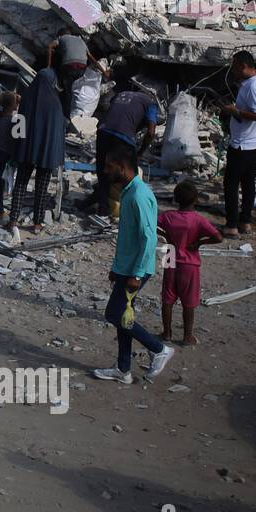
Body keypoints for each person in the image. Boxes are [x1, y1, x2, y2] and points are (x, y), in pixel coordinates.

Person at [93, 142, 175, 384]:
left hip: (136, 269)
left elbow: (148, 237)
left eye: (110, 167)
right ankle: (123, 369)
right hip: (126, 266)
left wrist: (137, 274)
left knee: (114, 314)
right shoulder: (129, 190)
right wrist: (116, 268)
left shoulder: (139, 195)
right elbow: (128, 235)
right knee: (122, 315)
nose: (106, 171)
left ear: (122, 167)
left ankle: (158, 349)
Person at [158, 181, 221, 346]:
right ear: (196, 200)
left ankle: (167, 333)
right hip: (189, 262)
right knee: (189, 301)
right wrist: (199, 243)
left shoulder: (167, 216)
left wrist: (166, 235)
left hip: (171, 255)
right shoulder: (199, 220)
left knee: (168, 297)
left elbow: (151, 224)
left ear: (176, 199)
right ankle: (187, 336)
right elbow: (218, 237)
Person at [88, 82, 159, 217]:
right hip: (123, 136)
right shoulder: (151, 103)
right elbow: (150, 132)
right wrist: (140, 152)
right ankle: (129, 210)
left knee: (104, 171)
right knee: (128, 174)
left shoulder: (121, 94)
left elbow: (114, 112)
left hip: (103, 131)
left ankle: (102, 210)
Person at [220, 50, 256, 237]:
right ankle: (245, 221)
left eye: (234, 66)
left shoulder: (253, 86)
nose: (232, 71)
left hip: (244, 145)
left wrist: (235, 111)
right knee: (248, 182)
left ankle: (232, 225)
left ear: (243, 66)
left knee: (231, 184)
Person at [9, 63, 65, 232]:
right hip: (46, 154)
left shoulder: (26, 98)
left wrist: (16, 148)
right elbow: (58, 134)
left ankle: (13, 220)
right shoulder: (55, 104)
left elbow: (17, 125)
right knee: (41, 187)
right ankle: (37, 223)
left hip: (26, 151)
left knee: (20, 183)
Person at [0, 89, 19, 223]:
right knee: (9, 180)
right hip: (8, 155)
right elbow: (18, 139)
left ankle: (0, 211)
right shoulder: (14, 121)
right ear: (13, 105)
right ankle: (8, 209)